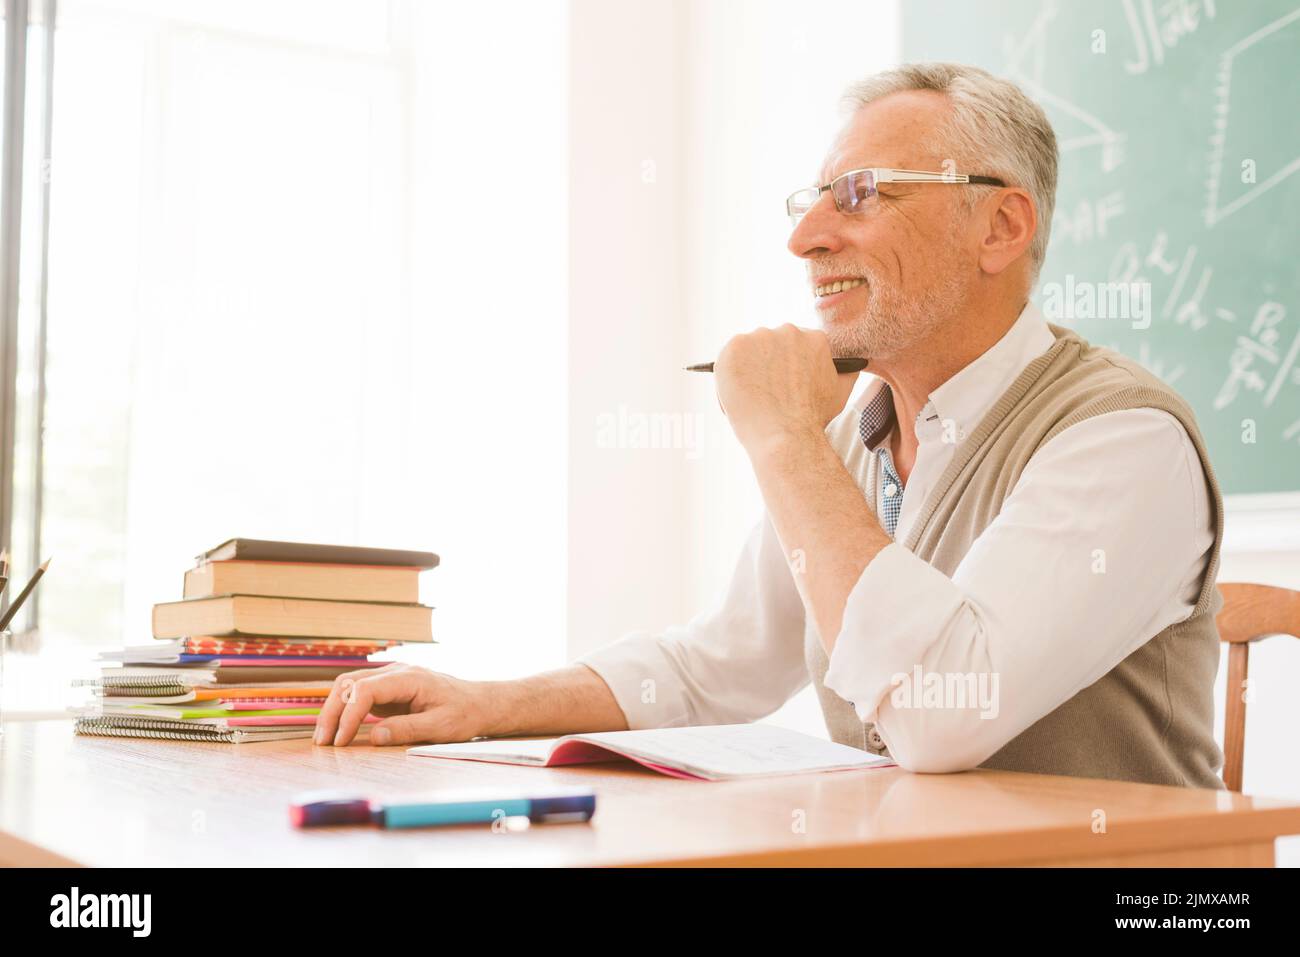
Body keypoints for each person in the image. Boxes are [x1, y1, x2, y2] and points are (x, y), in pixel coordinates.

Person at [315, 63, 1224, 788]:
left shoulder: (1121, 440)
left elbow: (946, 714)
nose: (807, 238)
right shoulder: (857, 437)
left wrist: (784, 441)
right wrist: (479, 702)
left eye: (862, 193)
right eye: (812, 199)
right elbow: (718, 665)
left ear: (1001, 225)